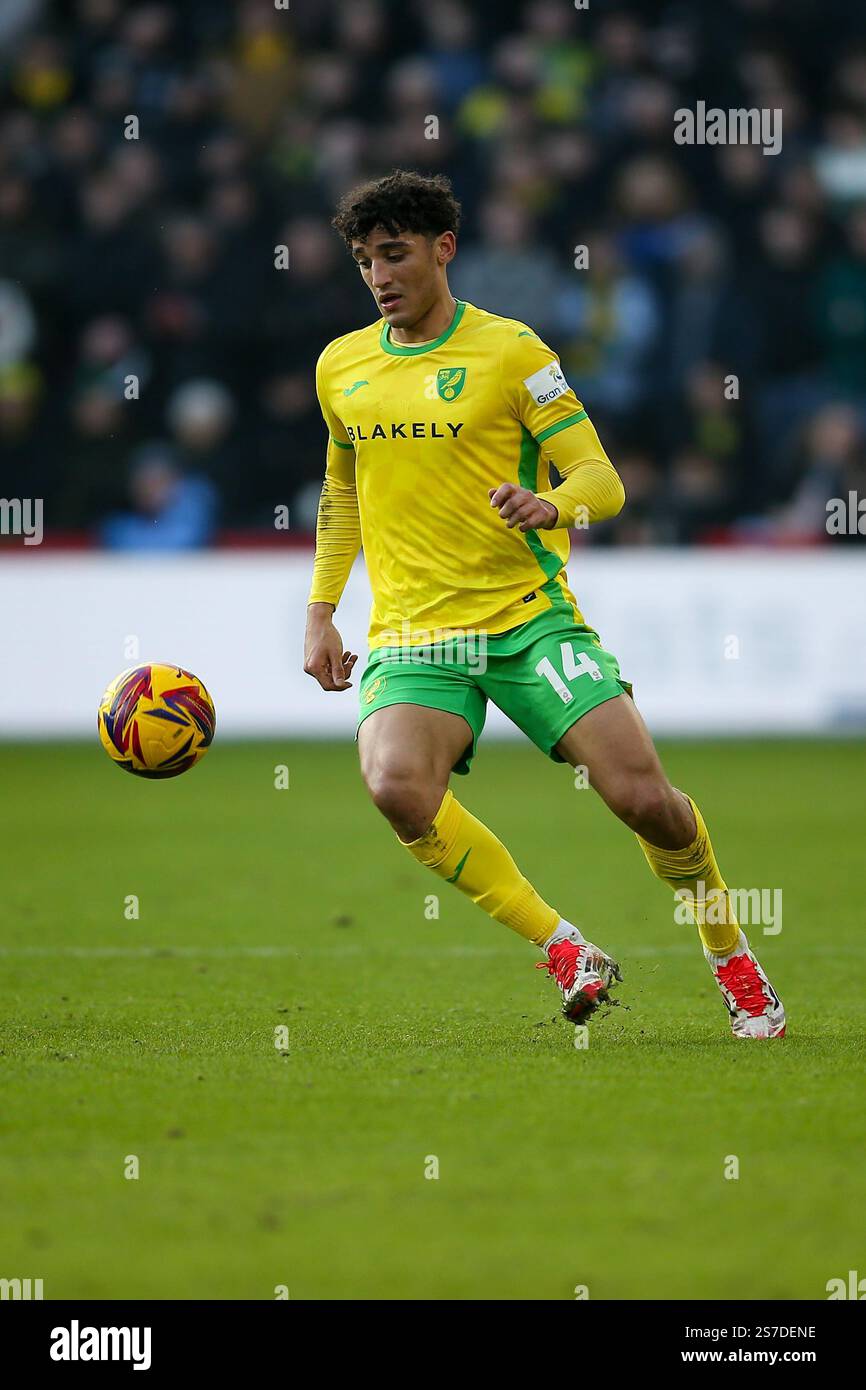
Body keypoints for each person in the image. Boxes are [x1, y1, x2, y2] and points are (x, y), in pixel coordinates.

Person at [304, 170, 784, 1040]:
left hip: (528, 618)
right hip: (417, 633)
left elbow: (605, 479)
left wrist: (554, 505)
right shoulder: (342, 366)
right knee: (396, 785)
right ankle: (567, 948)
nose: (378, 275)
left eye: (395, 254)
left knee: (643, 798)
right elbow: (342, 495)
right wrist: (320, 609)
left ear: (444, 249)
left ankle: (732, 956)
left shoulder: (514, 353)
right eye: (365, 260)